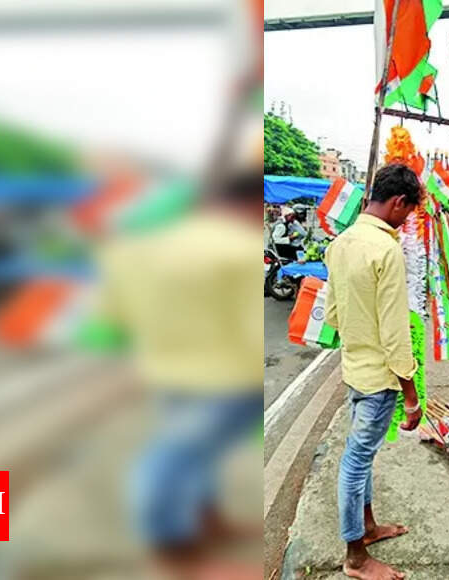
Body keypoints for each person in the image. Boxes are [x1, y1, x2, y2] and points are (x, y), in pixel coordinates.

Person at [95, 168, 264, 577]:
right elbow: (249, 327)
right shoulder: (239, 248)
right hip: (222, 375)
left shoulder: (141, 246)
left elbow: (114, 314)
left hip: (163, 367)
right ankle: (171, 548)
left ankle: (205, 522)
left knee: (198, 455)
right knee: (175, 458)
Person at [324, 163, 423, 580]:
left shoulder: (341, 242)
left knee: (361, 458)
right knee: (356, 460)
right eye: (409, 212)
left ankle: (366, 527)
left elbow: (331, 313)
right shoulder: (386, 250)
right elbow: (396, 334)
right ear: (398, 202)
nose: (407, 221)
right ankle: (356, 557)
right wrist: (412, 394)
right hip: (379, 380)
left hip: (353, 370)